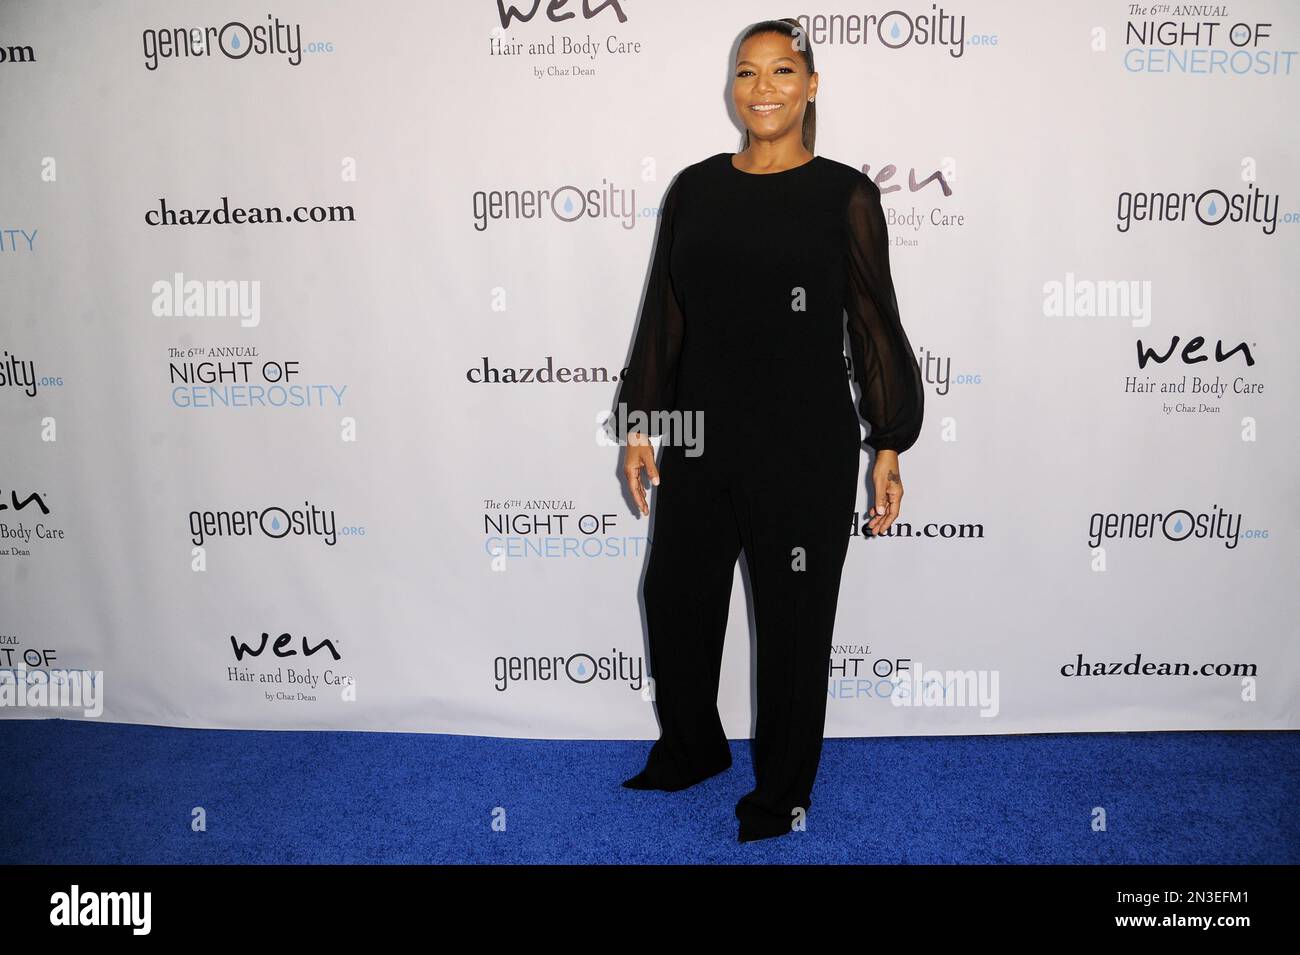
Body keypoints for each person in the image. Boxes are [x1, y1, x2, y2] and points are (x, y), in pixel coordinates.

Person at [609, 18, 925, 843]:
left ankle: (781, 793)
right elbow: (665, 316)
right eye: (746, 73)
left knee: (791, 625)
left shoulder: (844, 195)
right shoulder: (696, 188)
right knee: (673, 598)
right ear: (731, 89)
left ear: (812, 84)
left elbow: (873, 323)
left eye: (782, 71)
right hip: (702, 442)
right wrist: (643, 423)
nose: (762, 89)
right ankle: (693, 748)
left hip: (803, 450)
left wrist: (888, 440)